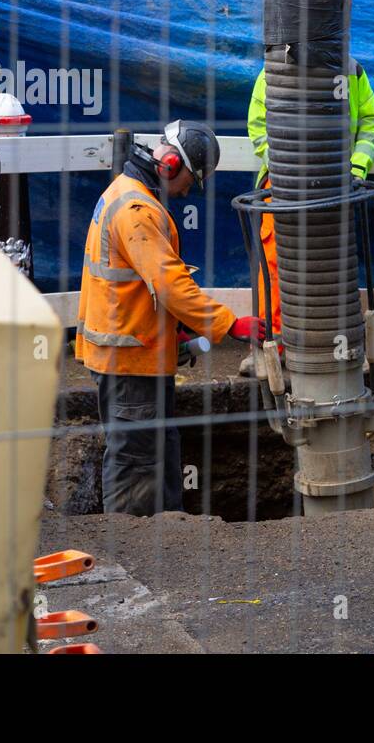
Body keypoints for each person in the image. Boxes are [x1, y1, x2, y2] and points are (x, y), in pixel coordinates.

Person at [75, 120, 266, 516]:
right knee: (136, 463)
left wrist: (172, 330)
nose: (186, 191)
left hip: (135, 354)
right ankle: (129, 551)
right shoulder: (137, 210)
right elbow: (170, 284)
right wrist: (229, 325)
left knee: (158, 452)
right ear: (170, 164)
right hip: (129, 363)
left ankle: (167, 538)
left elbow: (137, 287)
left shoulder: (126, 194)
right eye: (190, 180)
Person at [245, 57, 374, 351]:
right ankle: (274, 346)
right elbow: (258, 125)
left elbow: (370, 121)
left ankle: (328, 345)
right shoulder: (275, 68)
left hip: (335, 185)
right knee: (274, 264)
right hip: (282, 185)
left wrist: (356, 169)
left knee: (331, 265)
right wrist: (287, 168)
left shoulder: (351, 70)